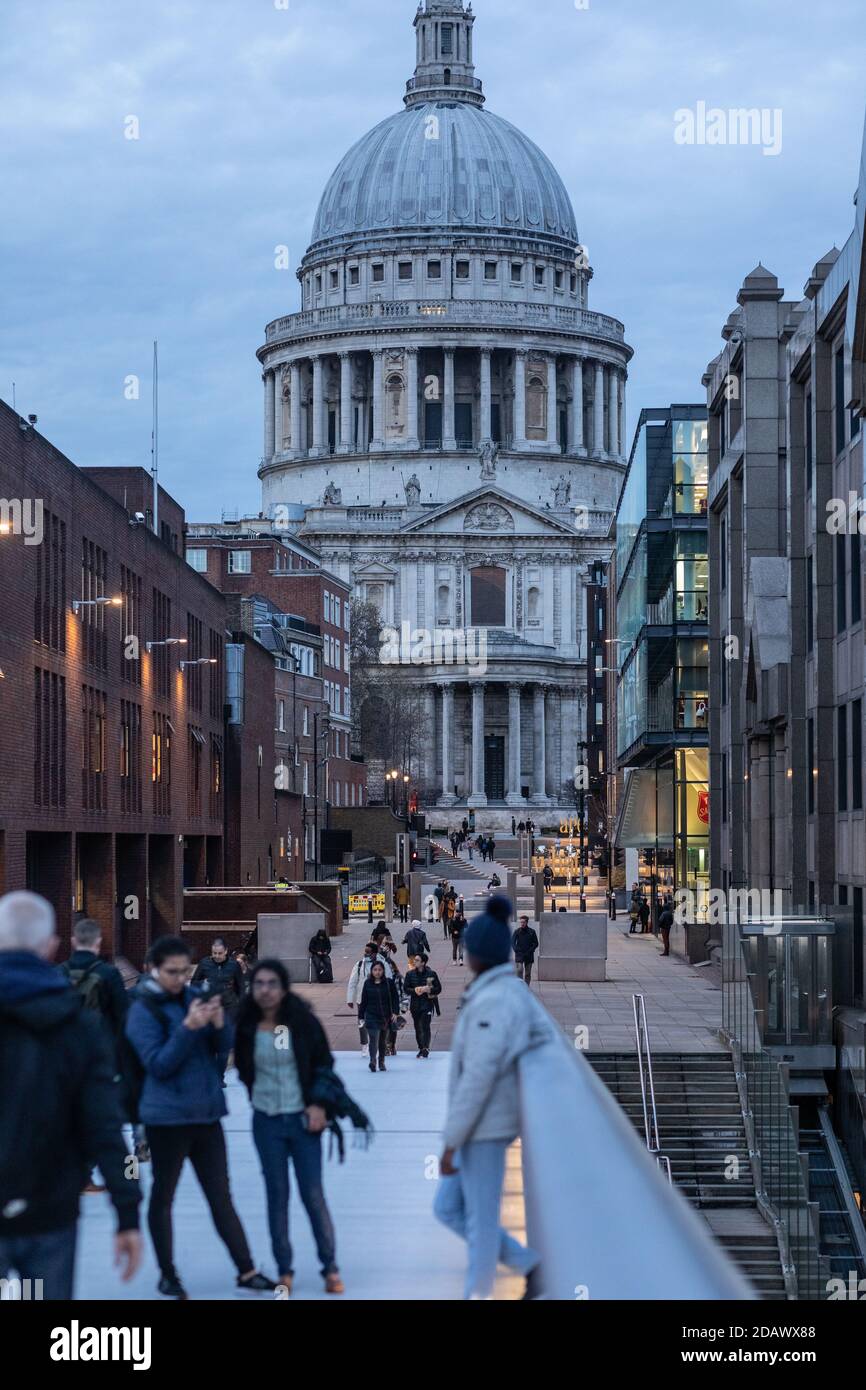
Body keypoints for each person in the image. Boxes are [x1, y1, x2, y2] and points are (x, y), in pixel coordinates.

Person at [0, 892, 142, 1300]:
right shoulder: (76, 1026)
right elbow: (102, 1122)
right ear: (50, 946)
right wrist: (127, 1212)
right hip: (49, 1205)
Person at [126, 935, 275, 1300]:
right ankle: (168, 1274)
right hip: (166, 1119)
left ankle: (247, 1269)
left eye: (184, 971)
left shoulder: (195, 998)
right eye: (171, 972)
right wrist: (189, 1027)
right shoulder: (141, 1010)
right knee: (164, 1196)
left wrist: (220, 1022)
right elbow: (159, 1065)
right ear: (152, 970)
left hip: (206, 1115)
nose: (179, 978)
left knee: (220, 1195)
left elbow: (222, 1047)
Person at [434, 896, 543, 1301]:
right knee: (448, 1208)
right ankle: (527, 1263)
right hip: (480, 1126)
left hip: (483, 1129)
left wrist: (451, 1140)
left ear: (479, 955)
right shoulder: (496, 992)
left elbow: (477, 1078)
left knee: (480, 1224)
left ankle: (479, 1293)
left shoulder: (494, 1001)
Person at [234, 959, 344, 1297]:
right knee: (276, 1196)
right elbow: (242, 1066)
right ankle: (284, 1269)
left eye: (272, 983)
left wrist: (318, 1105)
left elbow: (324, 1064)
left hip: (303, 1119)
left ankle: (330, 1266)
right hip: (266, 1120)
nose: (265, 990)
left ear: (283, 987)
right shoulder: (246, 1025)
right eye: (259, 984)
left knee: (312, 1194)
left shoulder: (303, 1021)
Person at [61, 917, 132, 1189]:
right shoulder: (109, 974)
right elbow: (123, 1018)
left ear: (72, 941)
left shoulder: (59, 973)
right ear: (99, 942)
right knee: (101, 1119)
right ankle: (106, 1175)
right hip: (100, 1058)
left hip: (65, 1057)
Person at [192, 938, 245, 1083]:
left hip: (229, 1007)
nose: (216, 956)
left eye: (220, 953)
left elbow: (241, 987)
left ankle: (219, 1077)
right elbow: (193, 983)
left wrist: (241, 1006)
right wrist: (202, 982)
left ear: (226, 951)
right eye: (214, 953)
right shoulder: (205, 963)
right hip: (210, 1007)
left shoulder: (234, 966)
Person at [358, 962, 400, 1073]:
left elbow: (395, 998)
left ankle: (381, 1061)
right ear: (372, 971)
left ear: (383, 971)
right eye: (375, 970)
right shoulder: (367, 983)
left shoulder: (388, 983)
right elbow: (364, 1001)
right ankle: (372, 1061)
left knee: (382, 1041)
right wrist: (361, 1016)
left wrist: (395, 1012)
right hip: (371, 1015)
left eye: (379, 970)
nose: (377, 972)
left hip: (385, 1016)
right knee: (373, 1039)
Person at [404, 952, 442, 1059]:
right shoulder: (410, 974)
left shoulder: (431, 974)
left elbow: (438, 988)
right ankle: (420, 1047)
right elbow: (405, 989)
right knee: (417, 1027)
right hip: (415, 1005)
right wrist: (416, 990)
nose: (414, 962)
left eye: (417, 960)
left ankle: (426, 1047)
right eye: (414, 960)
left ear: (423, 963)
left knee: (425, 1026)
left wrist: (429, 989)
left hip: (427, 1004)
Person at [346, 942, 379, 1053]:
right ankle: (364, 1043)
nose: (365, 954)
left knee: (376, 1021)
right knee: (362, 1022)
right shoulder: (359, 964)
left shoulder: (381, 964)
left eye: (368, 952)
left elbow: (388, 980)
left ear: (374, 953)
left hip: (377, 998)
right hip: (362, 999)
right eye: (365, 951)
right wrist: (350, 999)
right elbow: (352, 981)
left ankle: (375, 1043)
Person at [512, 917, 539, 985]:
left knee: (528, 973)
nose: (522, 924)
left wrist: (531, 950)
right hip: (519, 954)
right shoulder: (517, 931)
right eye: (521, 922)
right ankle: (520, 986)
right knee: (519, 970)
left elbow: (536, 943)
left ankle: (526, 987)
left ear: (526, 922)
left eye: (523, 922)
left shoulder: (532, 932)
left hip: (528, 954)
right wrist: (516, 949)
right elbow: (512, 942)